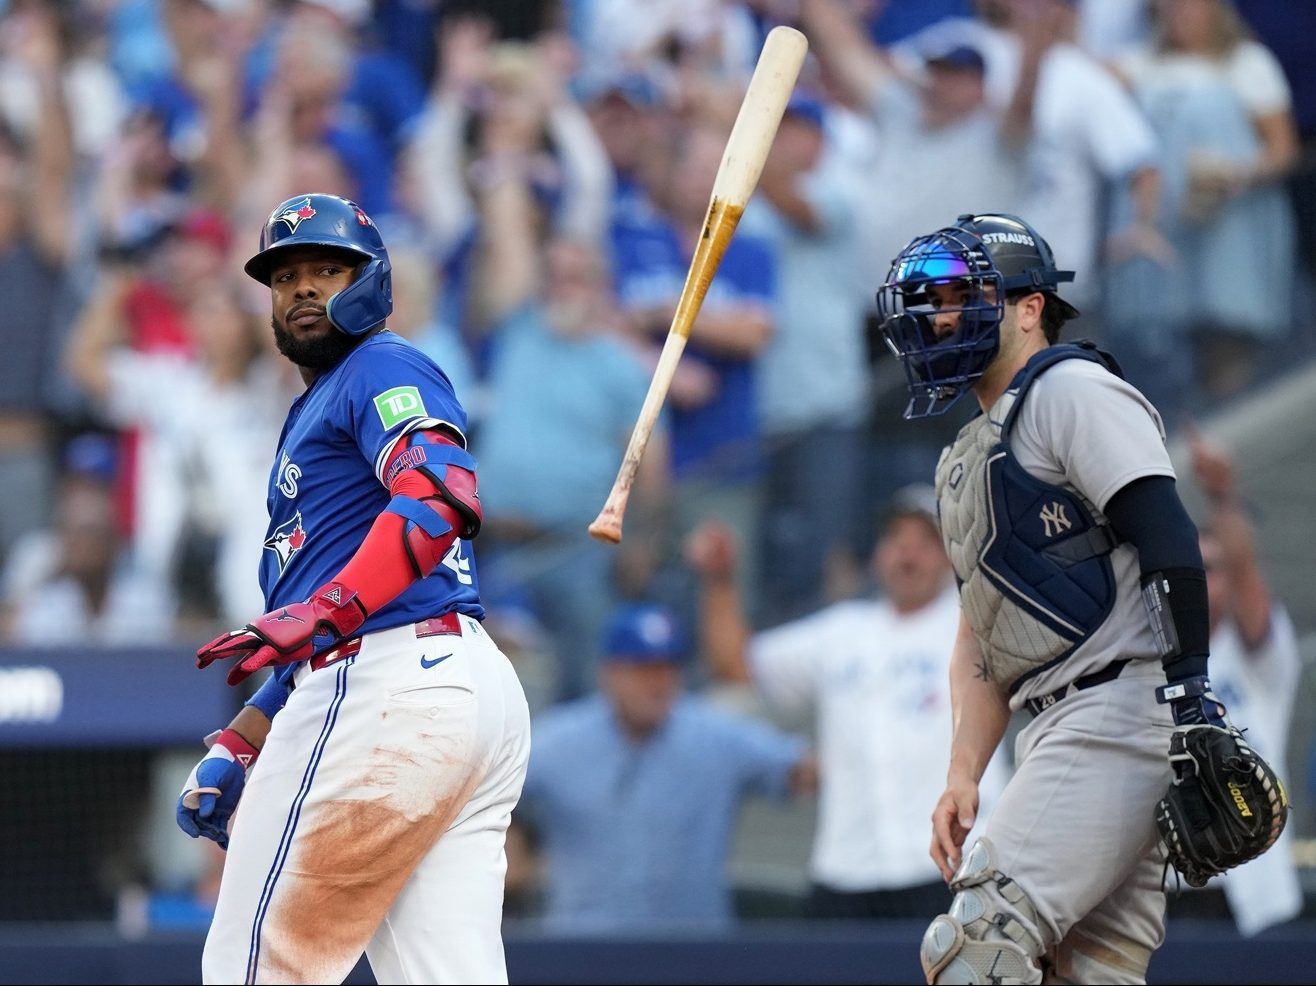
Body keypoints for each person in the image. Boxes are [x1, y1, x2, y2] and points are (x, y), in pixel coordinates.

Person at [876, 212, 1282, 983]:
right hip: (1057, 723)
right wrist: (963, 772)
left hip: (1118, 711)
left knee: (974, 947)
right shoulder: (965, 455)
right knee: (1085, 975)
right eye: (934, 299)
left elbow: (1167, 534)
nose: (942, 315)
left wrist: (1192, 698)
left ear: (1030, 307)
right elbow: (985, 637)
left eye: (963, 295)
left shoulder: (1070, 388)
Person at [173, 193, 531, 985]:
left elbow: (438, 493)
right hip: (444, 686)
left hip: (389, 685)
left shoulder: (380, 365)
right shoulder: (321, 402)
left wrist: (329, 611)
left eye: (326, 270)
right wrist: (246, 736)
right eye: (284, 276)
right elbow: (323, 618)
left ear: (371, 281)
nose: (302, 287)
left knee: (255, 967)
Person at [688, 486, 1007, 920]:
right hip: (848, 868)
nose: (908, 552)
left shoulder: (978, 626)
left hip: (956, 863)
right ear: (877, 555)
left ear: (950, 555)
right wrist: (719, 579)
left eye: (925, 541)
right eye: (895, 539)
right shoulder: (842, 632)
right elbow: (735, 666)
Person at [518, 602, 814, 933]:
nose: (657, 683)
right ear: (609, 673)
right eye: (643, 669)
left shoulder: (714, 736)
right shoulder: (559, 741)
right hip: (582, 946)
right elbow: (487, 784)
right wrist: (512, 845)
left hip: (691, 949)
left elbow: (802, 771)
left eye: (666, 669)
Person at [1168, 427, 1303, 936]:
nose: (1201, 578)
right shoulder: (1156, 662)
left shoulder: (1257, 656)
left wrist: (1223, 496)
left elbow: (1245, 574)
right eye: (1193, 567)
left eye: (1212, 568)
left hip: (1257, 893)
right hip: (1177, 886)